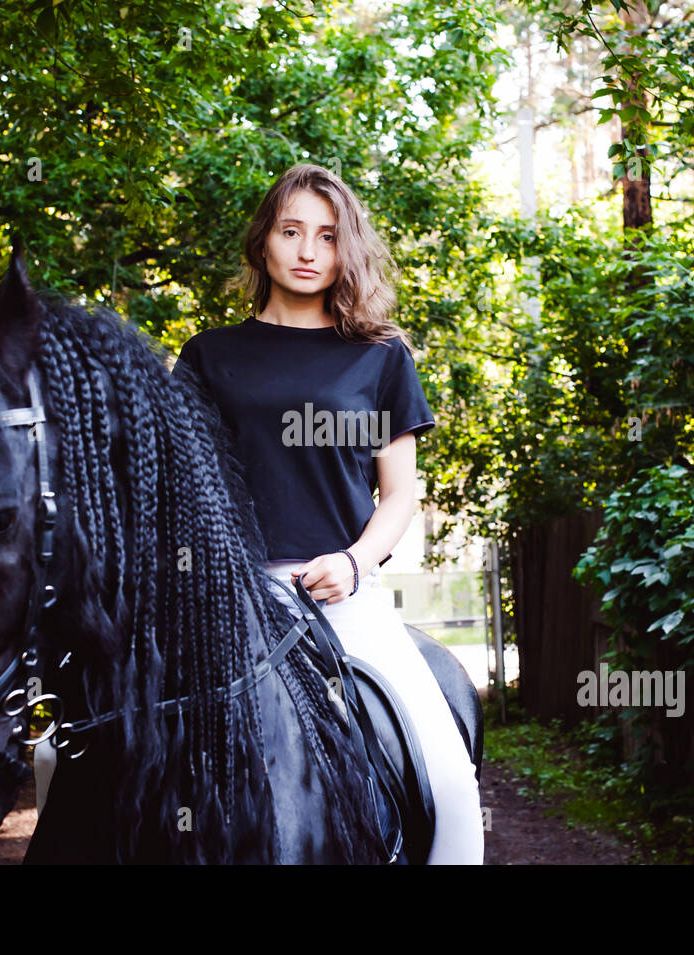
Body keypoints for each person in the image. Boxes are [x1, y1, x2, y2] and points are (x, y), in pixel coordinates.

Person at [173, 162, 485, 865]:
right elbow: (181, 488)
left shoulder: (378, 358)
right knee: (86, 754)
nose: (309, 251)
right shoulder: (207, 357)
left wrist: (352, 561)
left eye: (327, 235)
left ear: (347, 250)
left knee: (451, 777)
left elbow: (400, 493)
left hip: (344, 603)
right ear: (263, 245)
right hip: (224, 608)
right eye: (291, 232)